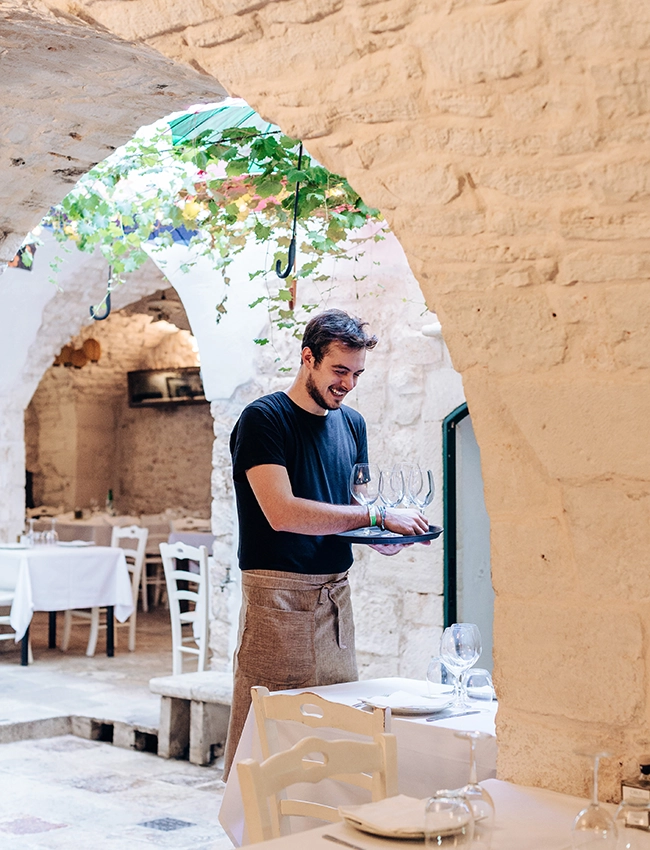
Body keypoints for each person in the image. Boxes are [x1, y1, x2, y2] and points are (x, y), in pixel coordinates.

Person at [223, 308, 429, 776]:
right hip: (278, 599)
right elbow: (283, 512)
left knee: (333, 742)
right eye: (339, 370)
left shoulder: (353, 424)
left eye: (356, 374)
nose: (348, 384)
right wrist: (378, 514)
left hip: (336, 599)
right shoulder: (264, 419)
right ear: (308, 358)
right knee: (270, 743)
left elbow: (353, 504)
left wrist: (379, 536)